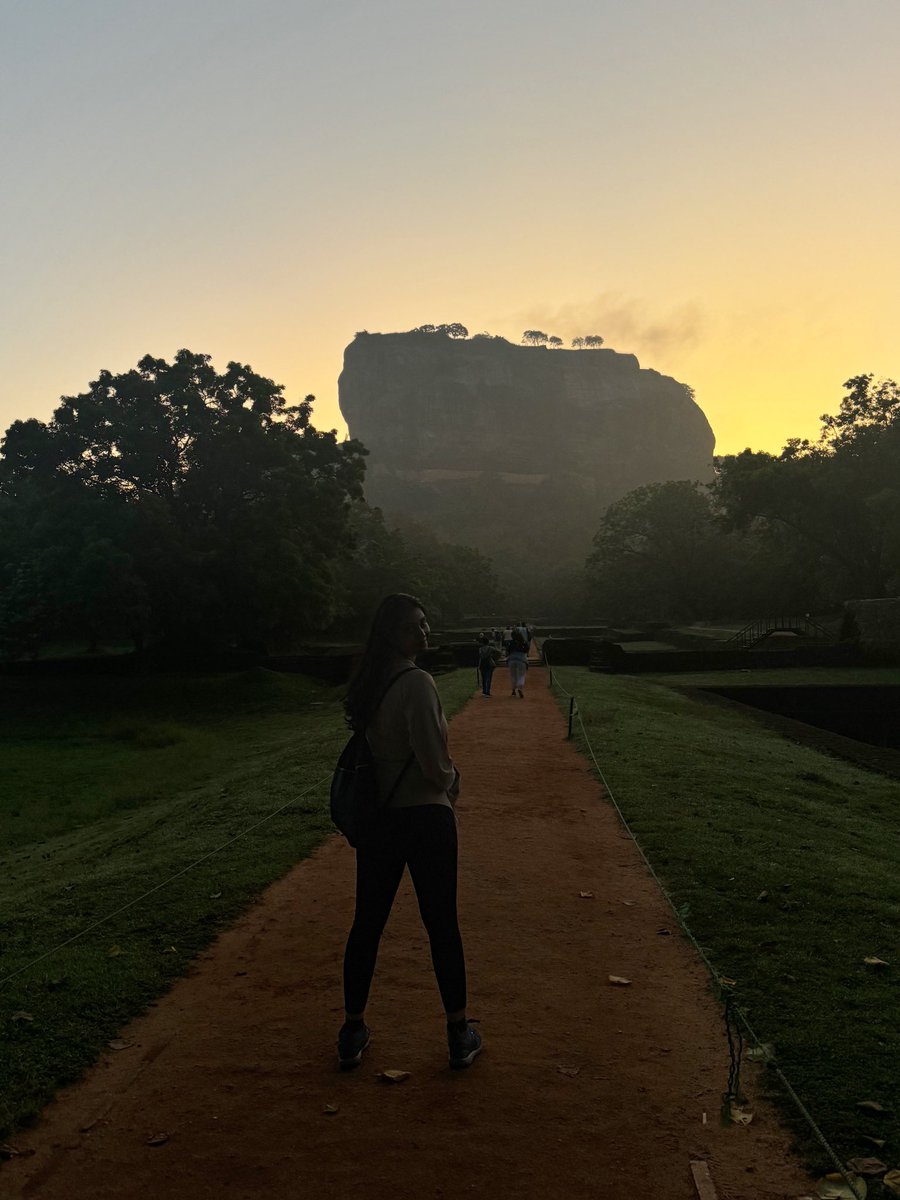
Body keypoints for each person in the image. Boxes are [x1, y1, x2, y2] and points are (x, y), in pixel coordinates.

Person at [338, 593, 482, 1071]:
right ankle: (458, 1032)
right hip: (424, 816)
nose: (422, 633)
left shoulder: (372, 681)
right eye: (411, 627)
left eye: (424, 624)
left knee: (367, 924)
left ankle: (353, 1028)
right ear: (392, 635)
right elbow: (433, 759)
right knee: (441, 924)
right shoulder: (417, 681)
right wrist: (452, 782)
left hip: (380, 819)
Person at [507, 627, 529, 698]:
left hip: (511, 660)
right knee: (521, 676)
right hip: (521, 660)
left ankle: (513, 690)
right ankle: (520, 688)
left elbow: (508, 651)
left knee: (513, 676)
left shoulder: (510, 642)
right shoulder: (523, 642)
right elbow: (526, 650)